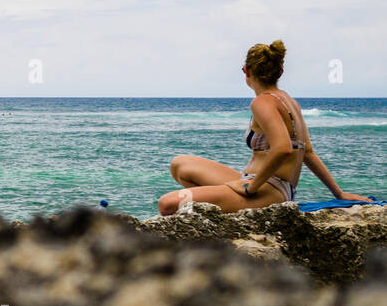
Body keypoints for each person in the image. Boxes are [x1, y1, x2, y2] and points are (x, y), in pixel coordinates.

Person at [158, 41, 370, 215]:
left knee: (167, 204)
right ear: (281, 71)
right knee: (180, 164)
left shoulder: (262, 103)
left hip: (266, 190)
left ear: (246, 70)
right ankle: (221, 207)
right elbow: (308, 152)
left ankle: (228, 208)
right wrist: (339, 193)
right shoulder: (289, 101)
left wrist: (252, 187)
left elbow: (283, 148)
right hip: (264, 185)